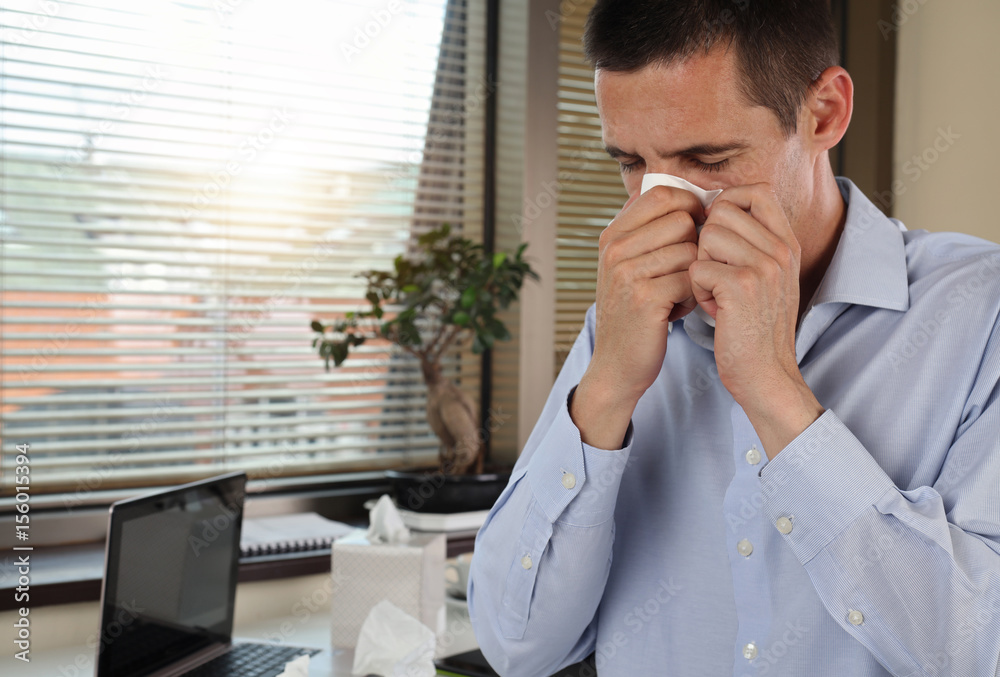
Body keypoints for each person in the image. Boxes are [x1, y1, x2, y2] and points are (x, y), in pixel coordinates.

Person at [467, 1, 1000, 676]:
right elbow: (517, 647)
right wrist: (606, 388)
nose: (664, 203)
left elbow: (979, 650)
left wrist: (774, 391)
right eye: (631, 162)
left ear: (826, 113)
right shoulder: (628, 319)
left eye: (707, 157)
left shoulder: (982, 314)